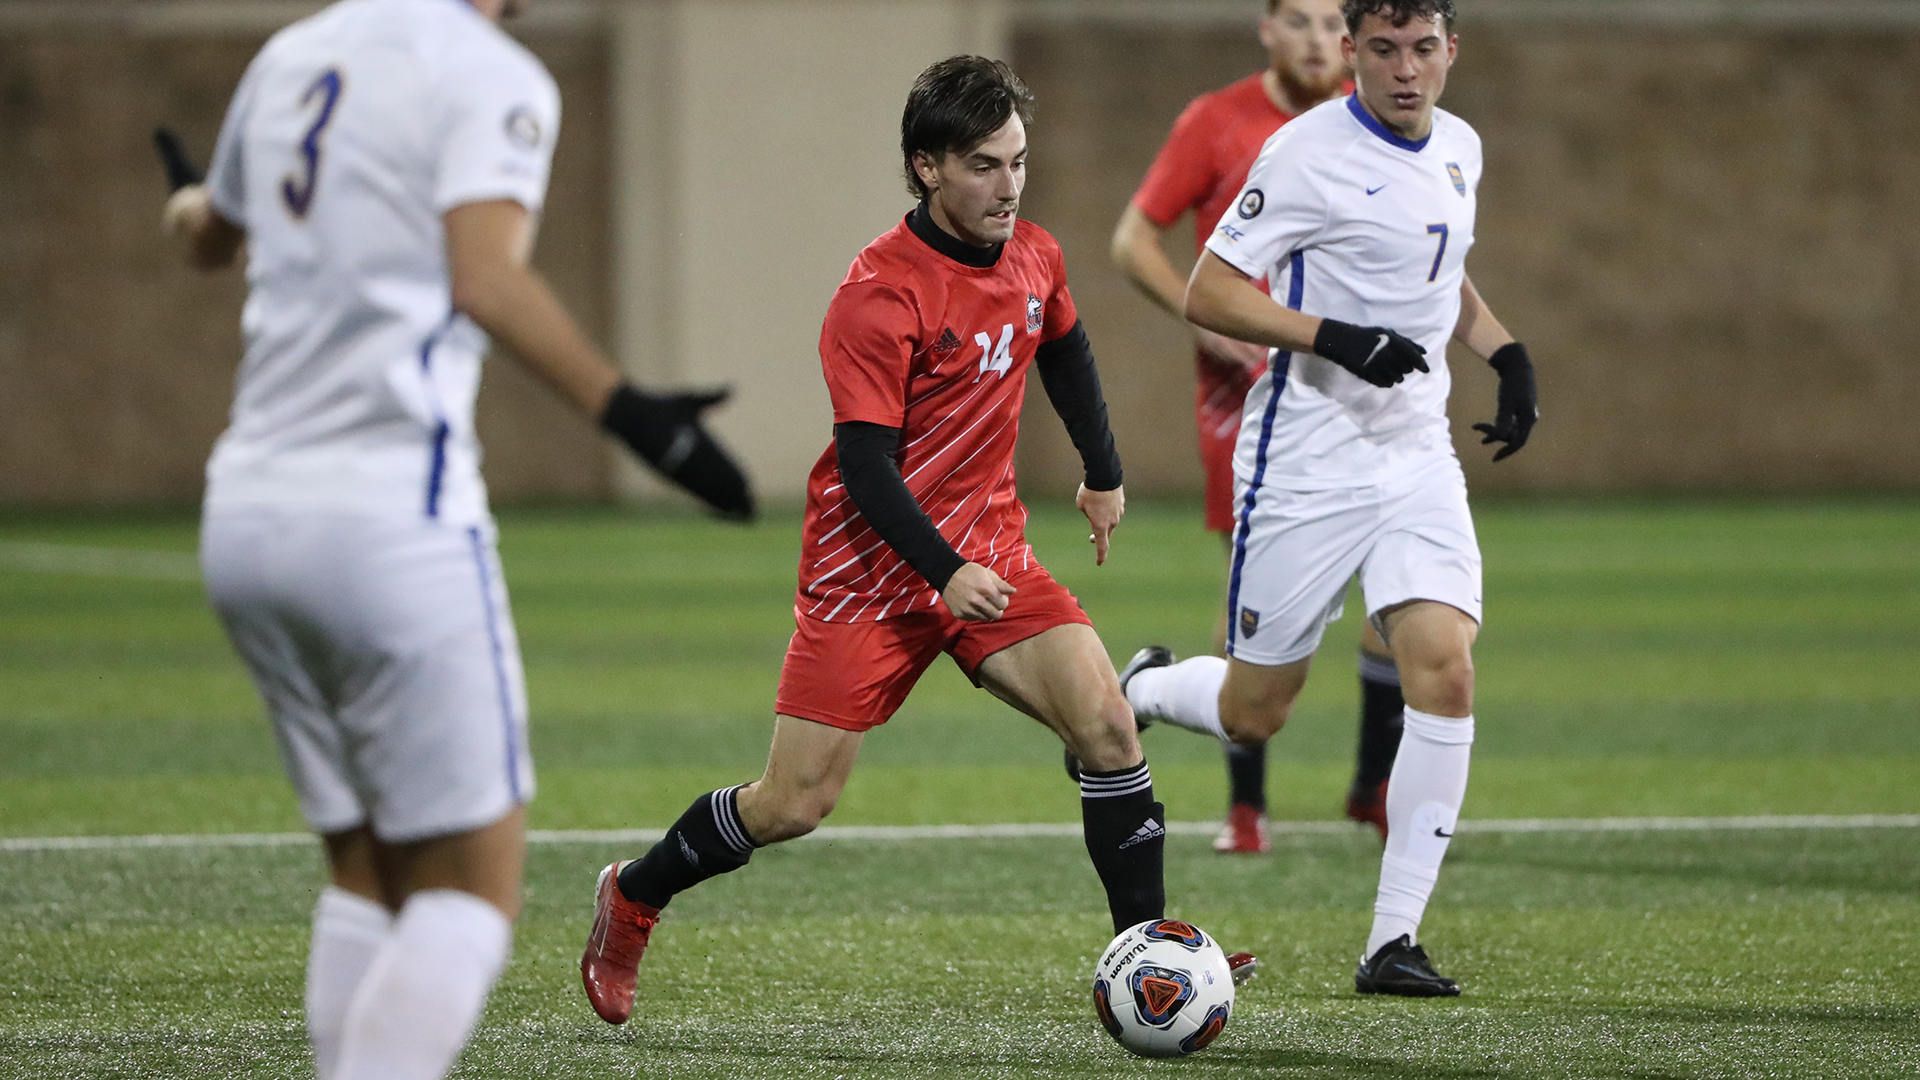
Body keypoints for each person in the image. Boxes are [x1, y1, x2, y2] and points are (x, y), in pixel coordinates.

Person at [579, 55, 1254, 1027]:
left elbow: (1061, 345)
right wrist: (946, 570)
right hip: (872, 575)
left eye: (1018, 161)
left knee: (1108, 729)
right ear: (926, 166)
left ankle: (1150, 959)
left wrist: (1101, 469)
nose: (1009, 185)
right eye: (984, 165)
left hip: (993, 555)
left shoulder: (1036, 255)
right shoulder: (878, 296)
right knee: (793, 804)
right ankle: (633, 896)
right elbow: (865, 467)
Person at [161, 0, 752, 1076]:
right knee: (473, 895)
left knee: (368, 874)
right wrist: (640, 419)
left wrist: (190, 198)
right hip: (393, 522)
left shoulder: (294, 51)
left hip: (245, 512)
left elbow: (209, 234)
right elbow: (484, 276)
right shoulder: (489, 72)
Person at [1119, 0, 1538, 996]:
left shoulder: (1462, 146)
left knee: (1446, 670)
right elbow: (1208, 291)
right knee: (1256, 710)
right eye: (1382, 49)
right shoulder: (1304, 152)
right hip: (1307, 459)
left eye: (1422, 49)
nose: (1404, 70)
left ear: (1451, 50)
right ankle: (1141, 688)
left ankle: (1391, 942)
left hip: (1418, 456)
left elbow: (1442, 269)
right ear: (1352, 52)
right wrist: (1331, 336)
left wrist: (1506, 353)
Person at [1107, 0, 1404, 855]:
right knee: (1256, 590)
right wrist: (1202, 319)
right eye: (1300, 22)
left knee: (1394, 581)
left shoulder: (1375, 115)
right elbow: (1134, 241)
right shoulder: (1218, 120)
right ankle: (1246, 804)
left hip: (1360, 384)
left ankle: (1372, 789)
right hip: (1253, 391)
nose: (1320, 40)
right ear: (1266, 28)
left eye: (1331, 24)